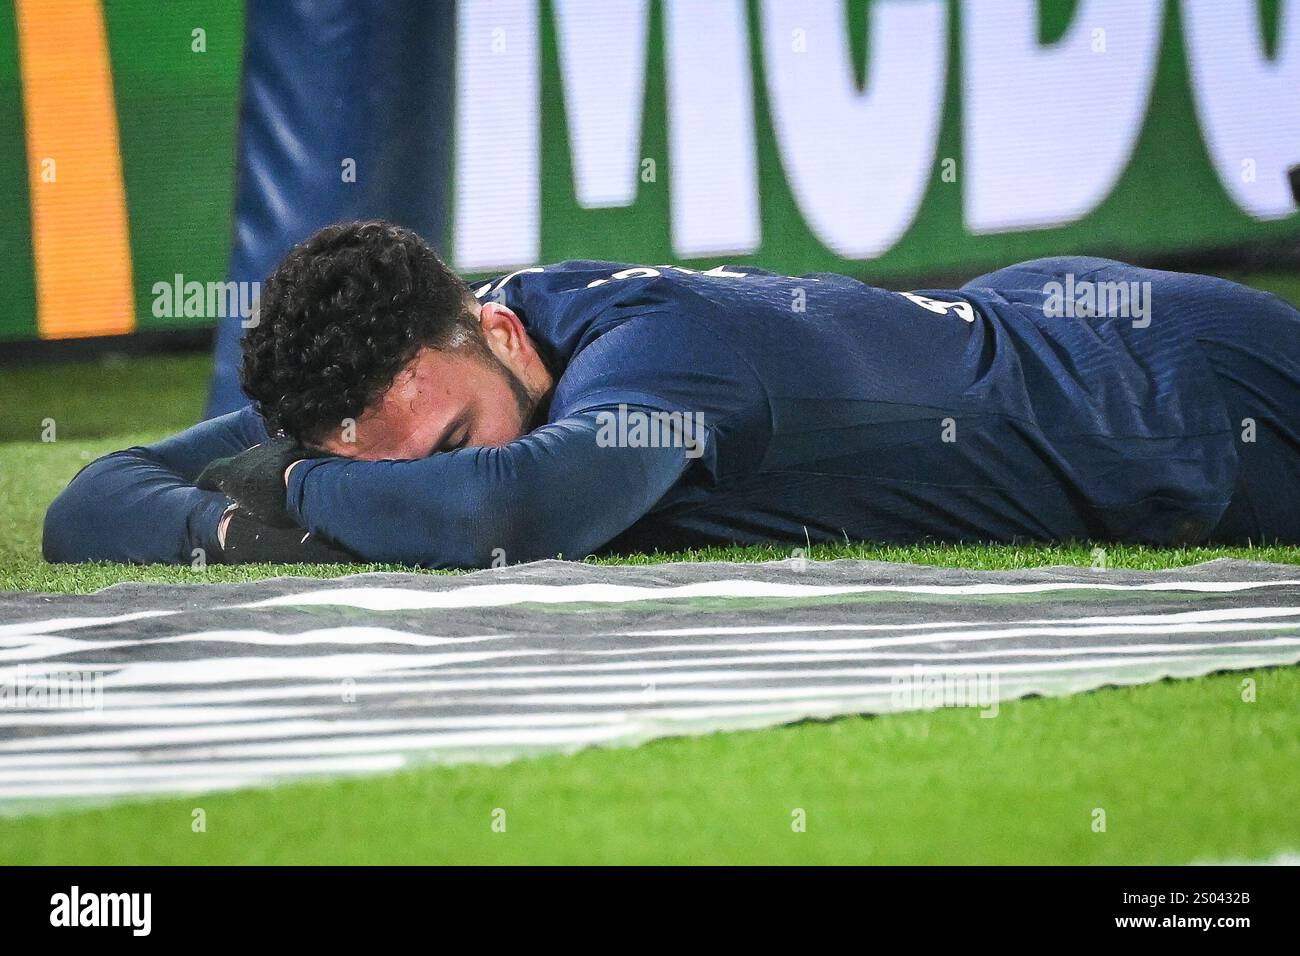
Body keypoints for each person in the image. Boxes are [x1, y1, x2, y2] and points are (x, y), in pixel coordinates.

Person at [43, 221, 1300, 567]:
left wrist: (299, 500)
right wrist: (227, 519)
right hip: (1029, 329)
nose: (428, 473)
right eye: (394, 462)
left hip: (1162, 387)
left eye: (448, 443)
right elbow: (94, 497)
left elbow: (502, 512)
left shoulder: (669, 357)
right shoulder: (405, 371)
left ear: (497, 333)